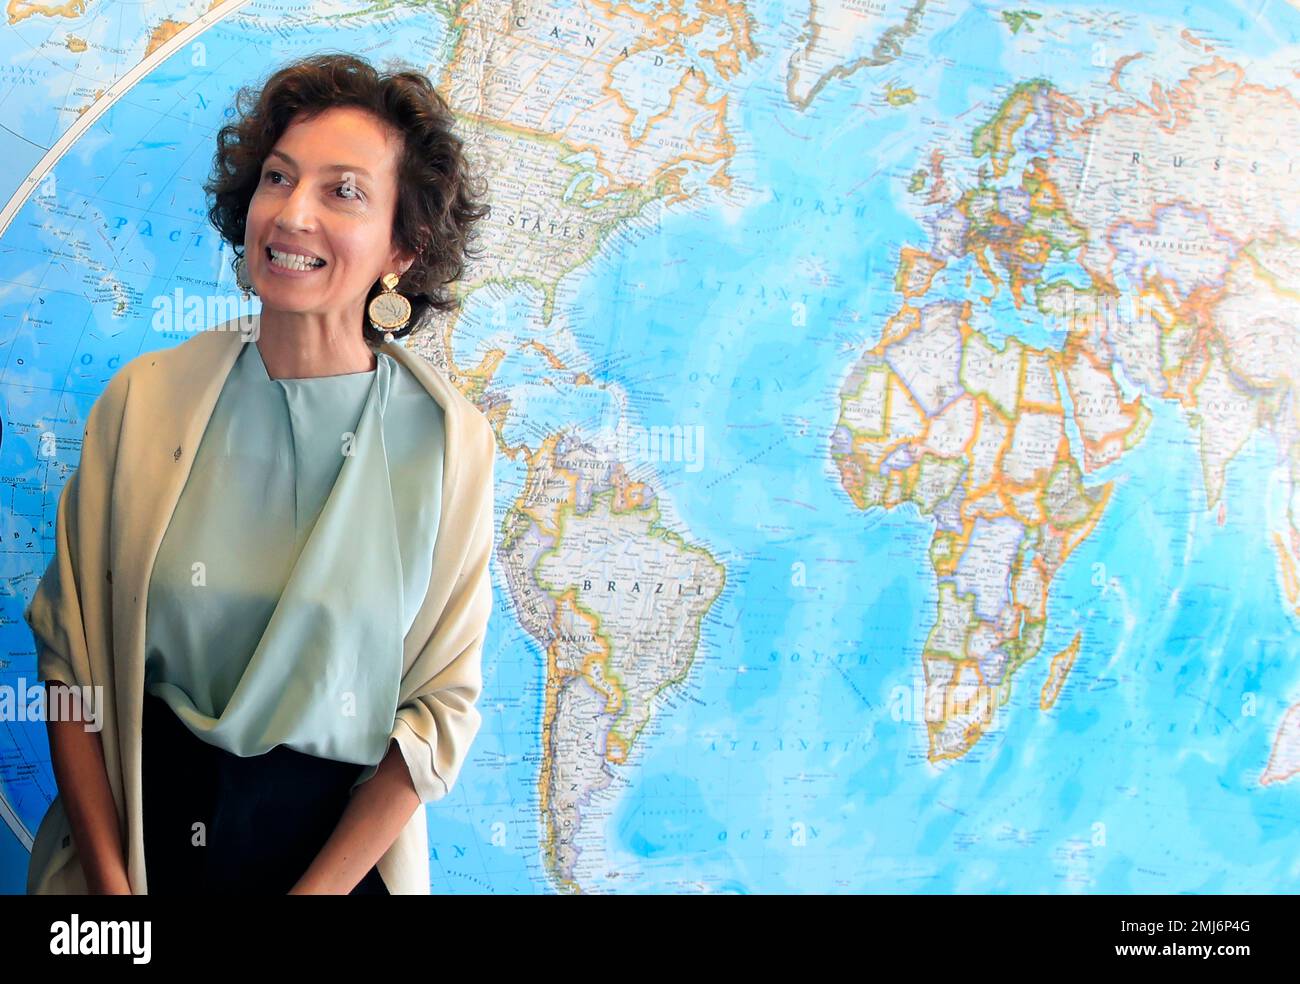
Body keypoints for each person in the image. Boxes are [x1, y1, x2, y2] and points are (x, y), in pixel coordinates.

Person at [24, 52, 496, 894]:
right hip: (136, 850)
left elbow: (435, 717)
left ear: (403, 246)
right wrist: (111, 888)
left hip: (337, 871)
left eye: (342, 191)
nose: (292, 213)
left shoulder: (448, 446)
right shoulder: (142, 404)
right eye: (278, 178)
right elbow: (68, 671)